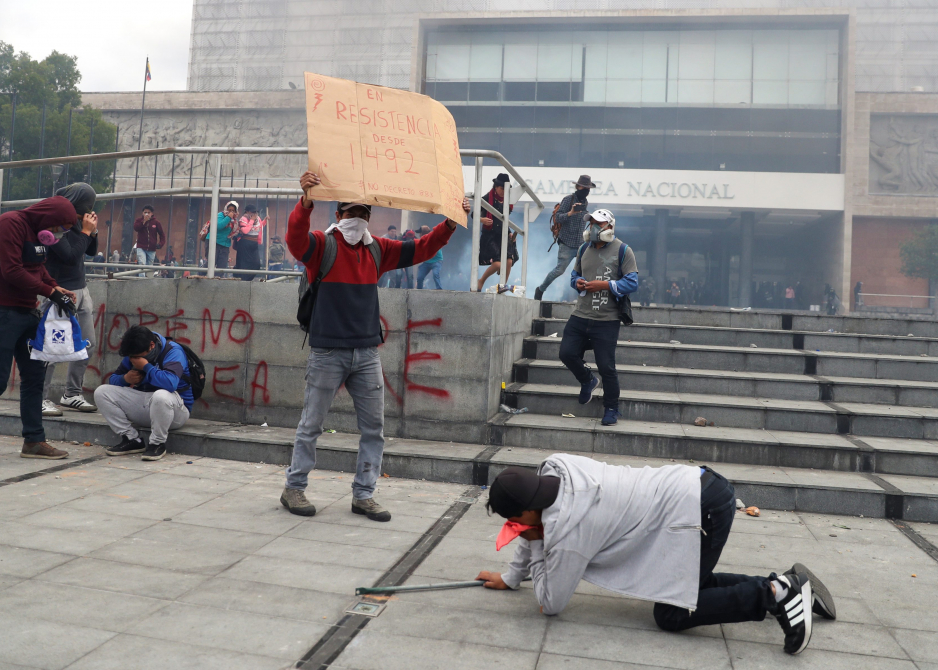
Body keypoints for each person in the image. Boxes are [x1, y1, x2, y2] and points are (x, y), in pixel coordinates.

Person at [476, 455, 833, 656]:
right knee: (693, 585)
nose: (516, 530)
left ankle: (776, 594)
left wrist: (537, 544)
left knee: (672, 611)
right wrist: (511, 577)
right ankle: (786, 585)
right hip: (697, 485)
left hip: (701, 510)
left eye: (515, 523)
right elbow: (533, 522)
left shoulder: (572, 529)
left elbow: (550, 601)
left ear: (529, 510)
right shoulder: (556, 468)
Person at [283, 171, 470, 521]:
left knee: (374, 430)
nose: (357, 218)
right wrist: (306, 201)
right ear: (338, 214)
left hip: (367, 353)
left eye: (364, 212)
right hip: (327, 351)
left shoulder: (378, 249)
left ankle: (364, 495)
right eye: (351, 211)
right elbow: (295, 239)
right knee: (311, 425)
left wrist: (449, 224)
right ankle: (294, 488)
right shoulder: (322, 246)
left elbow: (421, 248)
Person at [0, 196, 80, 466]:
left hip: (28, 313)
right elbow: (12, 271)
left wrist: (56, 287)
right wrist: (50, 292)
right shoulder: (10, 224)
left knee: (34, 378)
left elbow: (38, 268)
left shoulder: (39, 234)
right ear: (49, 218)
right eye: (60, 227)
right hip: (0, 314)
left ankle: (34, 441)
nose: (59, 234)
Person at [559, 209, 637, 427]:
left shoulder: (623, 250)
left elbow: (632, 282)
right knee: (566, 353)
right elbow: (574, 275)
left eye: (598, 224)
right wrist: (577, 283)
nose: (593, 227)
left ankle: (611, 408)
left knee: (606, 366)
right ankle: (587, 380)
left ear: (610, 226)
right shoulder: (583, 248)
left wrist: (604, 285)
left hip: (607, 319)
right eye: (591, 223)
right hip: (581, 314)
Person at [41, 183, 101, 417]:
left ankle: (72, 393)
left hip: (82, 289)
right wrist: (85, 232)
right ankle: (39, 397)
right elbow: (69, 256)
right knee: (51, 349)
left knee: (87, 344)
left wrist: (92, 231)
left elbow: (90, 251)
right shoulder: (53, 223)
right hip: (59, 291)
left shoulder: (77, 221)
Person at [93, 325, 193, 462]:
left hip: (175, 411)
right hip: (147, 405)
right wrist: (125, 379)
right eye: (132, 357)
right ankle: (132, 439)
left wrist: (146, 367)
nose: (134, 360)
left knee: (160, 395)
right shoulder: (134, 351)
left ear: (152, 345)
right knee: (102, 392)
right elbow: (113, 379)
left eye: (138, 357)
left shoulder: (173, 351)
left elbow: (171, 384)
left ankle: (157, 444)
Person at [535, 175, 596, 301]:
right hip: (567, 243)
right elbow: (558, 217)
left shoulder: (585, 202)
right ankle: (540, 289)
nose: (586, 190)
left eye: (588, 188)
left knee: (587, 269)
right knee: (559, 270)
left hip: (580, 243)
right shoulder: (568, 199)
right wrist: (571, 213)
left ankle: (585, 297)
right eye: (584, 187)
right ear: (578, 187)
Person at [477, 173, 518, 292]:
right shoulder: (486, 198)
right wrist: (482, 219)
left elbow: (504, 221)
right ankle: (481, 281)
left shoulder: (507, 201)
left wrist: (510, 233)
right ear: (495, 187)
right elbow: (474, 215)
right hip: (490, 235)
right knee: (497, 264)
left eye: (506, 189)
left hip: (503, 234)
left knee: (509, 260)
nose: (503, 191)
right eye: (501, 188)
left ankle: (502, 286)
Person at [200, 200, 238, 271]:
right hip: (214, 242)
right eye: (229, 210)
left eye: (233, 210)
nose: (231, 212)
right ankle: (201, 274)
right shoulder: (220, 215)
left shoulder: (235, 220)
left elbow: (234, 232)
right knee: (211, 263)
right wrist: (228, 217)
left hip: (225, 245)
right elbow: (218, 226)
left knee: (222, 265)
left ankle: (218, 277)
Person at [231, 204, 265, 281]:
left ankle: (247, 280)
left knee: (256, 264)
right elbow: (245, 231)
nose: (254, 214)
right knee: (243, 264)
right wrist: (252, 220)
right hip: (245, 243)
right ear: (247, 212)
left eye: (255, 212)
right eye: (252, 212)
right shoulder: (243, 219)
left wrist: (265, 221)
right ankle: (242, 280)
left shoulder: (258, 218)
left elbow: (259, 227)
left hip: (254, 244)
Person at [132, 205, 165, 276]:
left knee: (149, 267)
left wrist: (160, 244)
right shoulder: (138, 220)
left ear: (152, 213)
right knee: (142, 264)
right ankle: (141, 280)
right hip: (141, 246)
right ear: (142, 213)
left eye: (148, 212)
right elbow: (136, 228)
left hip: (151, 248)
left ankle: (148, 279)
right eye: (145, 212)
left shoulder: (156, 222)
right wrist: (144, 221)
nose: (146, 214)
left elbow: (162, 234)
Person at [417, 224, 443, 289]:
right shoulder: (422, 241)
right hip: (427, 262)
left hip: (436, 261)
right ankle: (419, 291)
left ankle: (439, 289)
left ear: (423, 234)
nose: (419, 235)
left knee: (435, 274)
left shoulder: (434, 239)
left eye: (420, 233)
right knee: (420, 277)